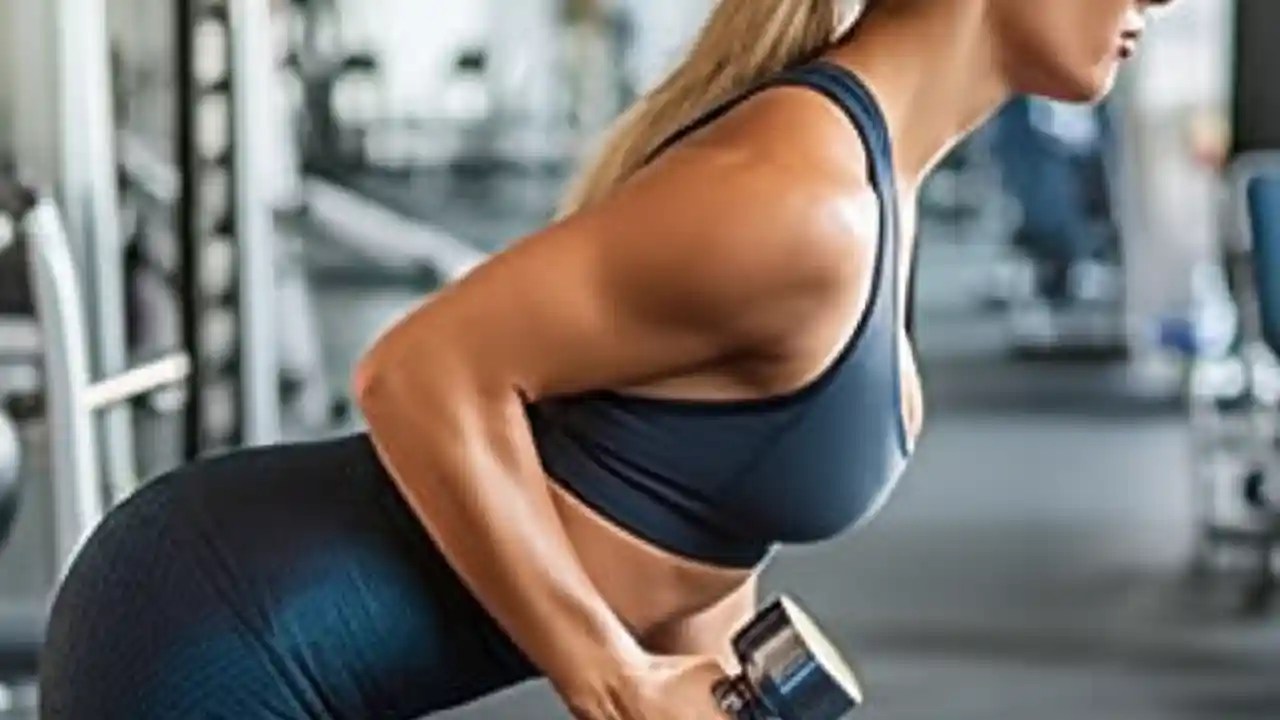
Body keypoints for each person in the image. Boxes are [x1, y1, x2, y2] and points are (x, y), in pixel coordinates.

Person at [40, 1, 1169, 718]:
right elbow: (423, 372)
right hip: (219, 637)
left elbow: (702, 521)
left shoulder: (871, 192)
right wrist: (613, 683)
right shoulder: (803, 197)